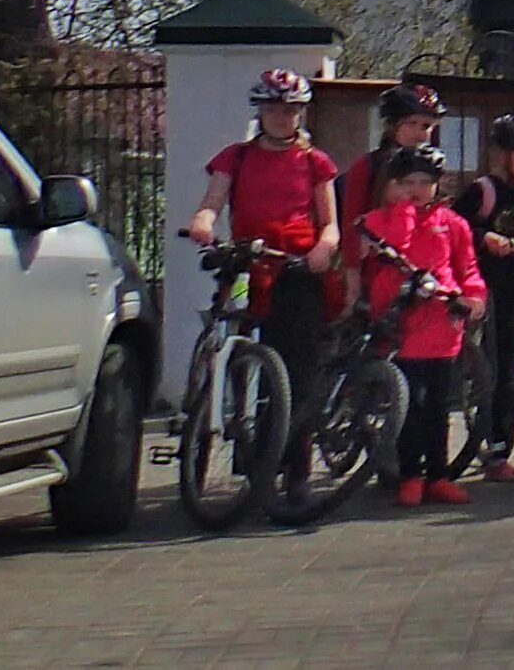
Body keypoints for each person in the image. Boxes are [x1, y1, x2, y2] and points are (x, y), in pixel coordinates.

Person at [180, 67, 340, 508]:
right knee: (230, 340)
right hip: (247, 265)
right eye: (273, 109)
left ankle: (296, 470)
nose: (282, 117)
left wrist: (324, 248)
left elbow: (330, 225)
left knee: (297, 371)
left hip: (296, 269)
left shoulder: (314, 162)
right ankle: (224, 420)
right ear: (261, 111)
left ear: (300, 113)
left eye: (290, 110)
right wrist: (203, 223)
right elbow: (212, 203)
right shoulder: (236, 157)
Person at [355, 143, 486, 506]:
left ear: (437, 184)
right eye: (407, 181)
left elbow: (468, 266)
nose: (415, 189)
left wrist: (473, 295)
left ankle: (439, 475)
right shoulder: (378, 220)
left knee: (439, 405)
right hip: (400, 323)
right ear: (393, 183)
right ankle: (410, 474)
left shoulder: (453, 223)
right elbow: (395, 244)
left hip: (442, 324)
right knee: (409, 403)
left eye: (424, 182)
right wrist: (403, 211)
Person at [451, 113, 514, 480]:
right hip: (490, 286)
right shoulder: (483, 191)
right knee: (505, 368)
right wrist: (484, 238)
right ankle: (496, 454)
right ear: (503, 156)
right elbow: (454, 227)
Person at [336, 82, 443, 259]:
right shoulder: (367, 166)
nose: (419, 133)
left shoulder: (436, 167)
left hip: (425, 268)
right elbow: (352, 229)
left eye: (426, 126)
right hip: (377, 263)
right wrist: (353, 278)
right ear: (392, 126)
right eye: (411, 124)